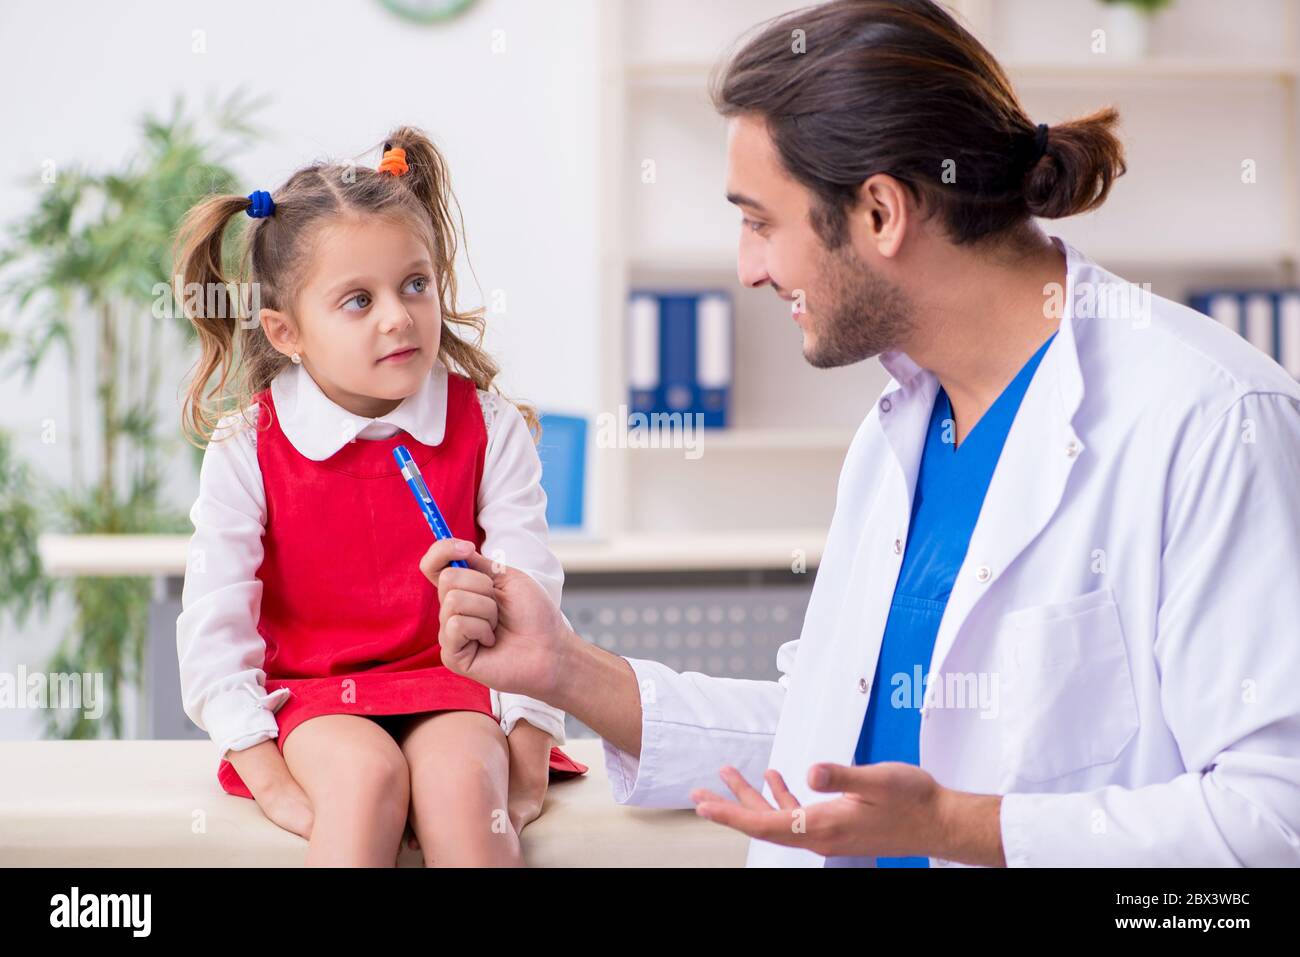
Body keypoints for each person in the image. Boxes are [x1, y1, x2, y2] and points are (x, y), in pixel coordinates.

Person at [420, 0, 1300, 867]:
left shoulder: (1213, 419)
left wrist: (959, 828)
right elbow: (831, 731)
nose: (749, 267)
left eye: (761, 221)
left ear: (880, 212)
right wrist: (564, 669)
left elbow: (1276, 816)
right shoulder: (902, 426)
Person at [174, 126, 586, 868]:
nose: (398, 316)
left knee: (464, 788)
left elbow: (535, 601)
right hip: (316, 698)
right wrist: (266, 775)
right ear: (286, 332)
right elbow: (214, 630)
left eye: (415, 285)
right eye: (358, 300)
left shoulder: (489, 425)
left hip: (457, 686)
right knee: (365, 781)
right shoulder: (248, 446)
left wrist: (525, 752)